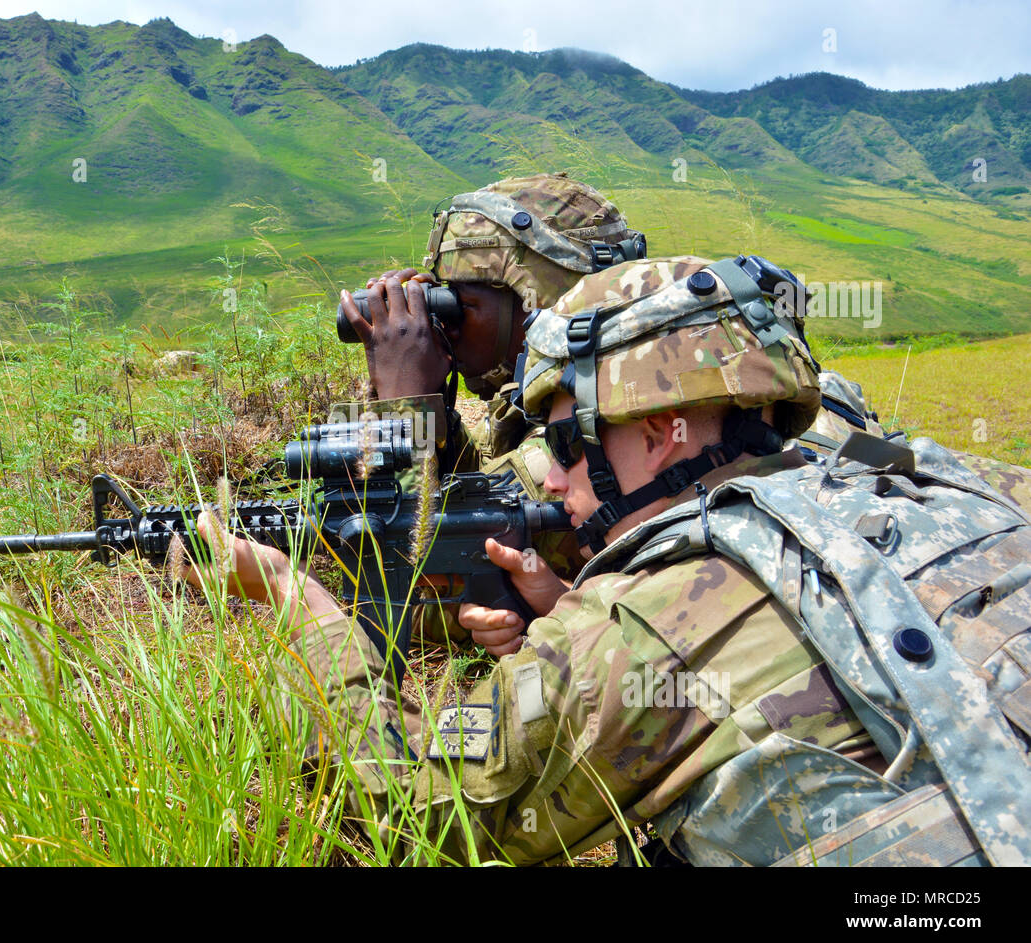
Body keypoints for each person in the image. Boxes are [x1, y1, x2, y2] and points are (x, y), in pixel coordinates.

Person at [192, 254, 1031, 865]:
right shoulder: (936, 475)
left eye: (564, 440)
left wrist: (300, 603)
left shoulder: (643, 626)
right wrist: (571, 623)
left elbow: (411, 814)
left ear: (666, 432)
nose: (551, 475)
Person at [335, 173, 645, 650]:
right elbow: (470, 486)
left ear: (539, 303)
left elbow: (409, 572)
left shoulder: (580, 441)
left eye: (463, 306)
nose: (445, 326)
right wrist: (430, 397)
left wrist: (403, 397)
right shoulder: (554, 398)